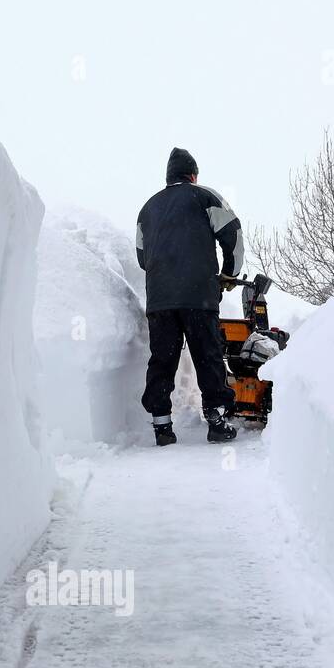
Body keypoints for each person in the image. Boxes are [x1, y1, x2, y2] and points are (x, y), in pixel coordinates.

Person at [136, 148, 245, 446]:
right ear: (192, 175)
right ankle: (217, 419)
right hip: (198, 296)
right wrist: (229, 273)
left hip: (160, 300)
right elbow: (232, 233)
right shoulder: (204, 196)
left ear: (169, 177)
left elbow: (142, 257)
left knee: (162, 359)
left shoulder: (147, 209)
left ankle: (162, 426)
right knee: (207, 354)